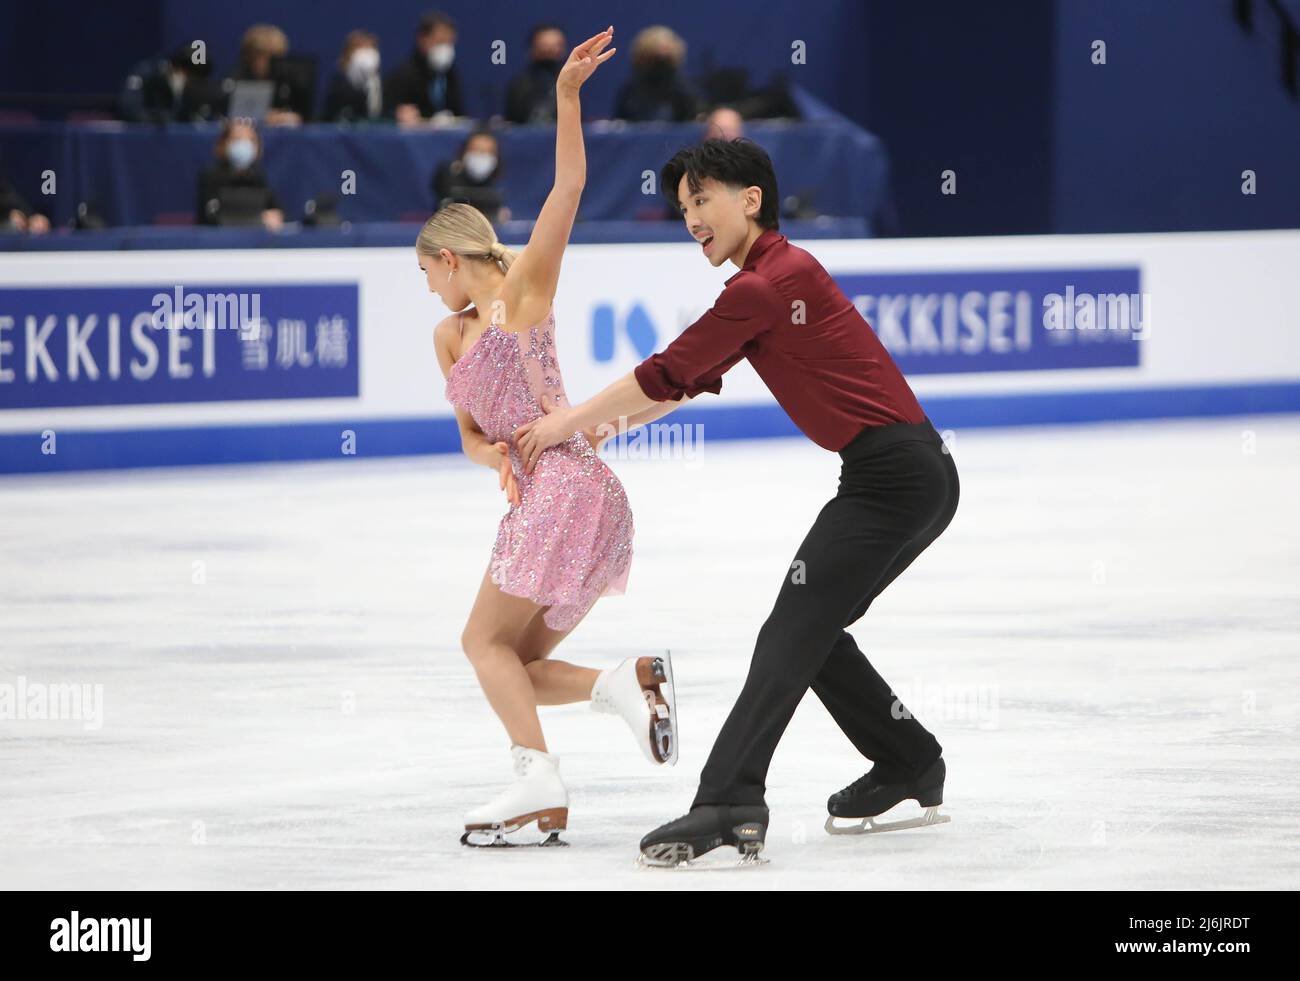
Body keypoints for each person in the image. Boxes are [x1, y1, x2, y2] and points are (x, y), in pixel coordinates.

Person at [514, 138, 960, 865]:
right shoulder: (771, 279)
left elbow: (662, 372)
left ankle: (728, 799)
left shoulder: (763, 285)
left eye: (702, 199)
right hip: (910, 472)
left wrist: (567, 423)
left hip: (893, 480)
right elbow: (679, 383)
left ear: (750, 198)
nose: (690, 217)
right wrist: (596, 432)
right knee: (810, 632)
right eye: (683, 206)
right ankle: (909, 761)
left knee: (789, 634)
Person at [421, 28, 678, 848]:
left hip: (569, 485)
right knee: (516, 664)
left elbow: (569, 183)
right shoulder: (447, 338)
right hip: (557, 494)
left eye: (426, 269)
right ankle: (624, 682)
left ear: (455, 257)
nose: (425, 286)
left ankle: (536, 778)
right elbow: (468, 435)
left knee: (479, 640)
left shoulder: (526, 283)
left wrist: (566, 96)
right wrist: (491, 454)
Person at [197, 121, 284, 230]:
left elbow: (275, 211)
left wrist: (275, 217)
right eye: (237, 139)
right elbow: (211, 217)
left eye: (251, 140)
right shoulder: (211, 177)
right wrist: (256, 219)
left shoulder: (259, 177)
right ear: (223, 144)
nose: (244, 145)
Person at [386, 10, 465, 125]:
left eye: (449, 43)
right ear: (422, 39)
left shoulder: (451, 74)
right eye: (440, 41)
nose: (445, 48)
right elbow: (387, 114)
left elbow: (459, 114)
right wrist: (397, 115)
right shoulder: (403, 75)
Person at [613, 26, 698, 122]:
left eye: (665, 60)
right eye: (652, 60)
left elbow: (693, 122)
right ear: (641, 58)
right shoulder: (630, 93)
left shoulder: (684, 92)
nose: (659, 68)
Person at [432, 129, 507, 223]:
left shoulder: (497, 185)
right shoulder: (448, 175)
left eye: (487, 152)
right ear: (465, 151)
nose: (481, 156)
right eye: (476, 149)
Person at [504, 24, 566, 124]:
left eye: (556, 46)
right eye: (544, 46)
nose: (550, 51)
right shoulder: (520, 85)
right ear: (533, 48)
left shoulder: (572, 83)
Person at [323, 30, 383, 123]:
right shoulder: (338, 84)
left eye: (371, 49)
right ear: (349, 53)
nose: (368, 57)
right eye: (362, 50)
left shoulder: (377, 83)